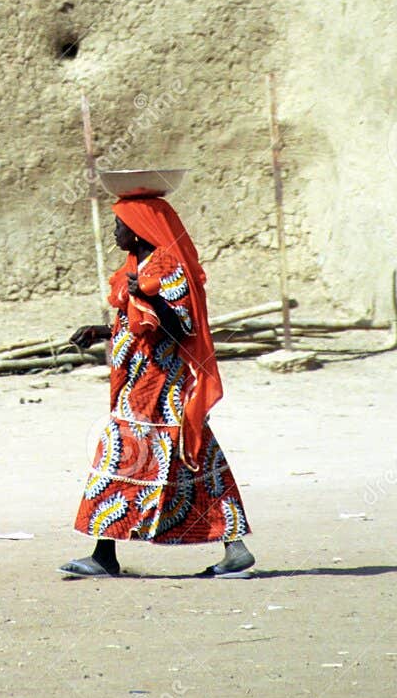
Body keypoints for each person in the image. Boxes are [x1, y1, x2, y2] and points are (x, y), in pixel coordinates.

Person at [62, 193, 254, 579]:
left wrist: (150, 297)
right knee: (191, 459)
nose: (115, 231)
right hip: (142, 384)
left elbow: (182, 326)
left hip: (159, 388)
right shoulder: (139, 267)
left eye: (119, 224)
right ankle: (235, 550)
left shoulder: (168, 270)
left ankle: (104, 555)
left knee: (119, 457)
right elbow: (134, 321)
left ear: (137, 230)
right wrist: (102, 331)